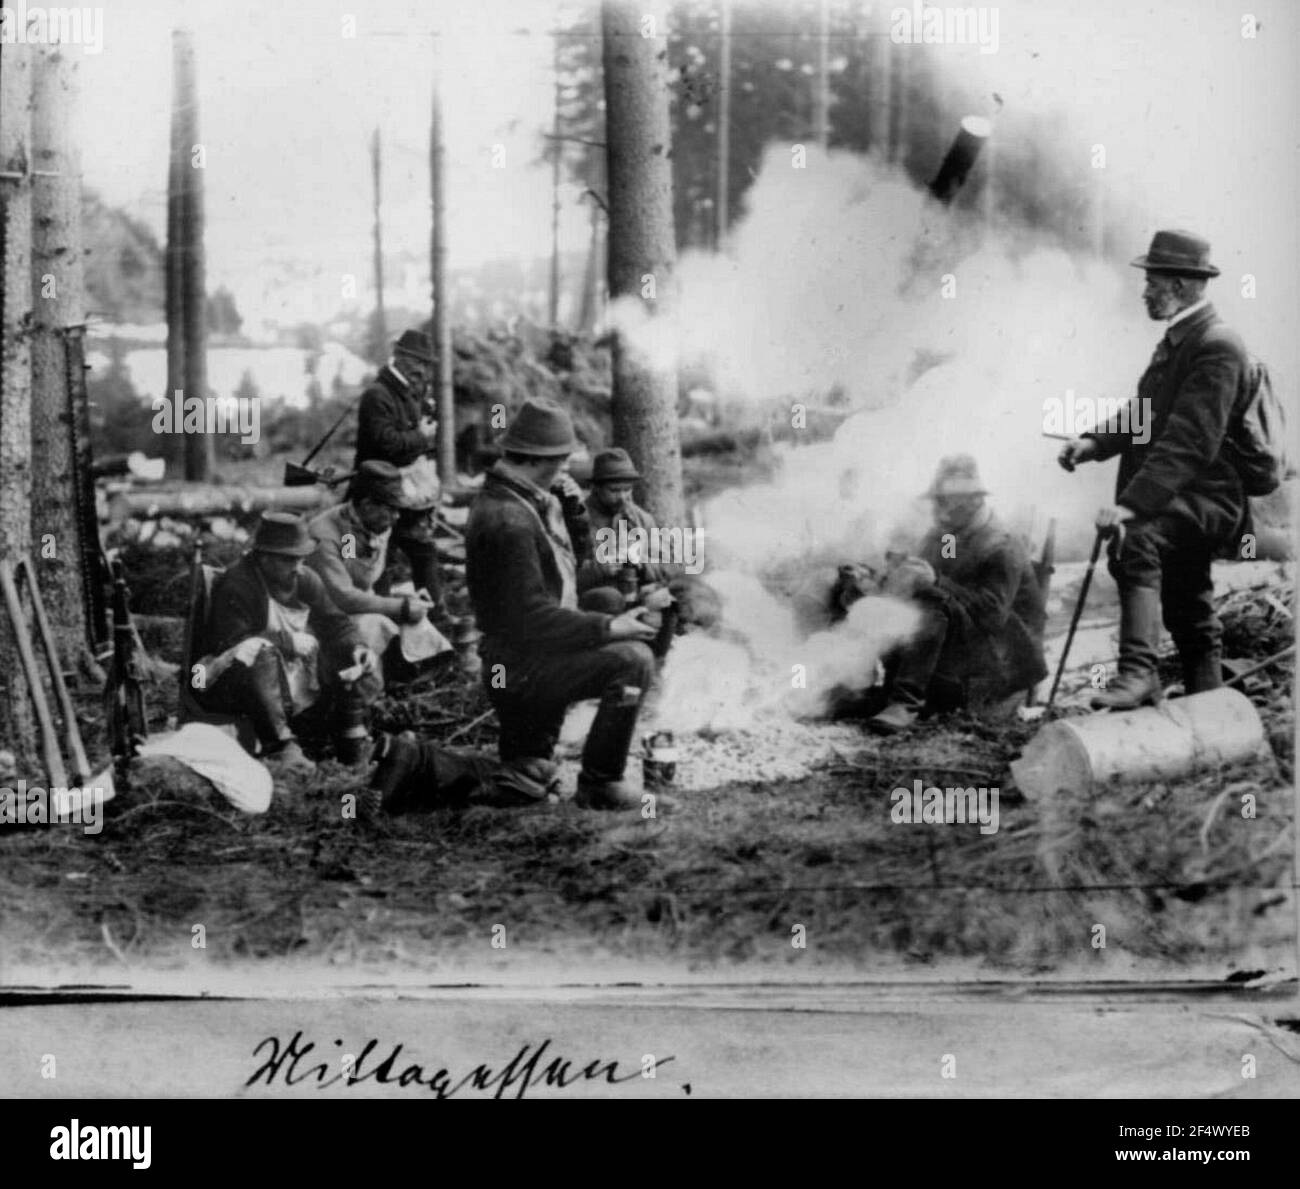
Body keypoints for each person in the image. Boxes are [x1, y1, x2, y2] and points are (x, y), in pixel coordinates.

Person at [1058, 230, 1250, 709]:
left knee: (1137, 538)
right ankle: (1210, 703)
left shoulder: (1215, 345)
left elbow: (1190, 441)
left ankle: (1138, 675)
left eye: (1153, 281)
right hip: (1186, 494)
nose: (1145, 291)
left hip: (1209, 496)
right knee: (1188, 596)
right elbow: (1144, 416)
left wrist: (1130, 507)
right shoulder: (1183, 340)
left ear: (1183, 285)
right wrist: (1093, 443)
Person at [463, 398, 675, 811]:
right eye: (560, 462)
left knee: (527, 779)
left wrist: (574, 514)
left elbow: (563, 575)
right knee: (633, 660)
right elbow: (529, 617)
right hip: (522, 665)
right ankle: (601, 783)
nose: (564, 470)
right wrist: (610, 628)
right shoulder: (510, 521)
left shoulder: (517, 501)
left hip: (518, 660)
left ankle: (528, 760)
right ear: (538, 459)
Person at [866, 456, 1047, 735]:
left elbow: (992, 616)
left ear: (973, 501)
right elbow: (934, 572)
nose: (937, 509)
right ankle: (875, 688)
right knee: (888, 597)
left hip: (998, 664)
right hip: (959, 649)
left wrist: (936, 581)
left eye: (945, 501)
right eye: (937, 500)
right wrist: (891, 576)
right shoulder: (949, 535)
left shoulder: (1002, 546)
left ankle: (906, 702)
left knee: (931, 601)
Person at [193, 512, 381, 774]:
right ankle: (281, 745)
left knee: (349, 654)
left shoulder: (304, 579)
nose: (297, 565)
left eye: (301, 558)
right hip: (235, 683)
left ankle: (350, 734)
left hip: (293, 677)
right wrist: (286, 641)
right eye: (288, 559)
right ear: (265, 557)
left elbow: (337, 623)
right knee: (258, 652)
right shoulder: (238, 584)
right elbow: (230, 645)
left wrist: (357, 647)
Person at [304, 460, 450, 684]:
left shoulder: (363, 526)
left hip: (354, 609)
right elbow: (344, 597)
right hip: (323, 621)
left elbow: (355, 573)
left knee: (415, 625)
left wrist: (403, 600)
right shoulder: (326, 533)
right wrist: (399, 607)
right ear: (368, 504)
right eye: (391, 508)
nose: (397, 516)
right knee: (377, 625)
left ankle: (409, 674)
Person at [353, 328, 450, 625]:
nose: (424, 369)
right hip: (378, 494)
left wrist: (425, 430)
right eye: (419, 361)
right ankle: (382, 621)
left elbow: (414, 441)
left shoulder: (410, 391)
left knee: (423, 551)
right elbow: (388, 445)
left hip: (406, 492)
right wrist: (421, 435)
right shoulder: (377, 395)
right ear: (401, 358)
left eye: (427, 363)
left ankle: (436, 617)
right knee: (381, 559)